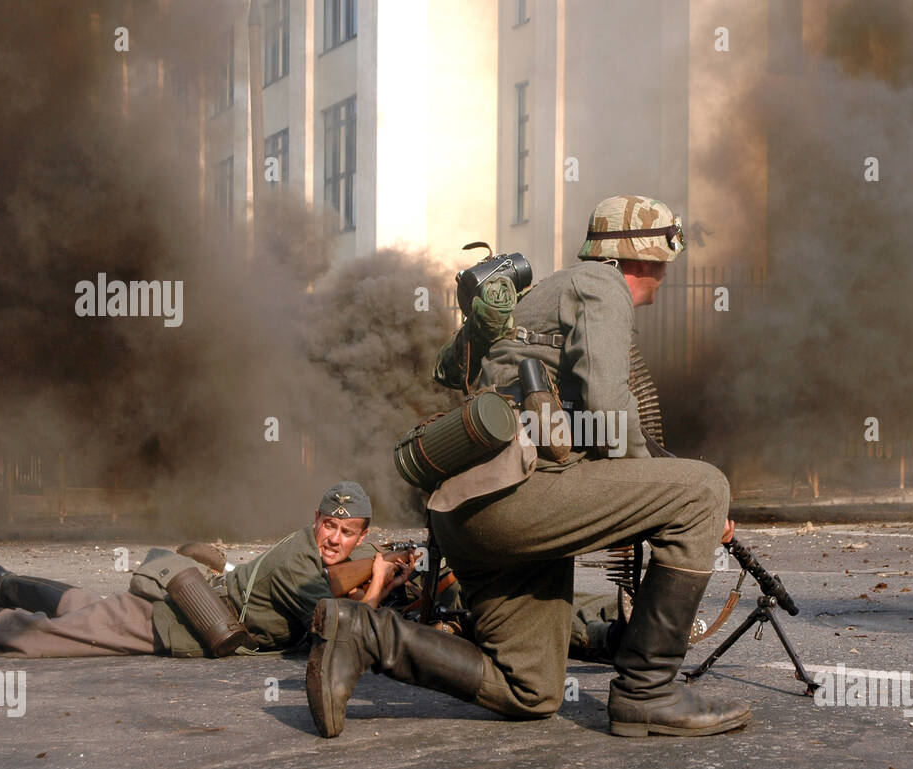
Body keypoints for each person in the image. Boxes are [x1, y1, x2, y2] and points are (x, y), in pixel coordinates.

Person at [307, 195, 751, 738]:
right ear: (650, 256)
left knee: (531, 690)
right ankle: (647, 691)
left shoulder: (540, 296)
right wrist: (682, 502)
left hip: (472, 513)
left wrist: (664, 489)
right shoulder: (602, 287)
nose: (665, 276)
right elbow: (611, 412)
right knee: (706, 488)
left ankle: (365, 636)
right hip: (516, 498)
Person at [0, 481, 411, 658]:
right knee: (36, 637)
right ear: (317, 521)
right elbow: (336, 633)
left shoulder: (308, 550)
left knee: (82, 605)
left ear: (362, 537)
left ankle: (2, 581)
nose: (335, 539)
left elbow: (329, 588)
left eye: (347, 534)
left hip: (175, 602)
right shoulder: (298, 563)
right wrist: (377, 585)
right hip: (169, 625)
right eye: (330, 526)